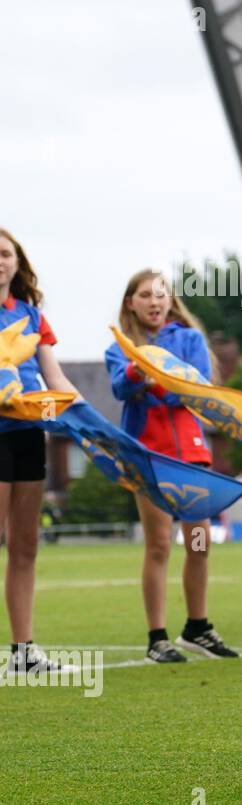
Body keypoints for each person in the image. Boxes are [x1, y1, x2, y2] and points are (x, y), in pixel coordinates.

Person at [106, 269, 238, 662]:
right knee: (159, 544)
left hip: (191, 453)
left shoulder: (189, 338)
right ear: (131, 303)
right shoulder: (121, 346)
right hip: (147, 455)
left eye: (160, 295)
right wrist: (138, 372)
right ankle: (157, 638)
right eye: (145, 295)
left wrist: (155, 381)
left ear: (171, 301)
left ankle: (197, 627)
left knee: (199, 542)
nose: (154, 302)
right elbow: (121, 386)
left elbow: (195, 387)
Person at [0, 228, 80, 675]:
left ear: (17, 262)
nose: (0, 261)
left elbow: (55, 377)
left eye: (5, 253)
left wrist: (85, 416)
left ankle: (24, 653)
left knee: (25, 544)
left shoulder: (32, 316)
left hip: (30, 433)